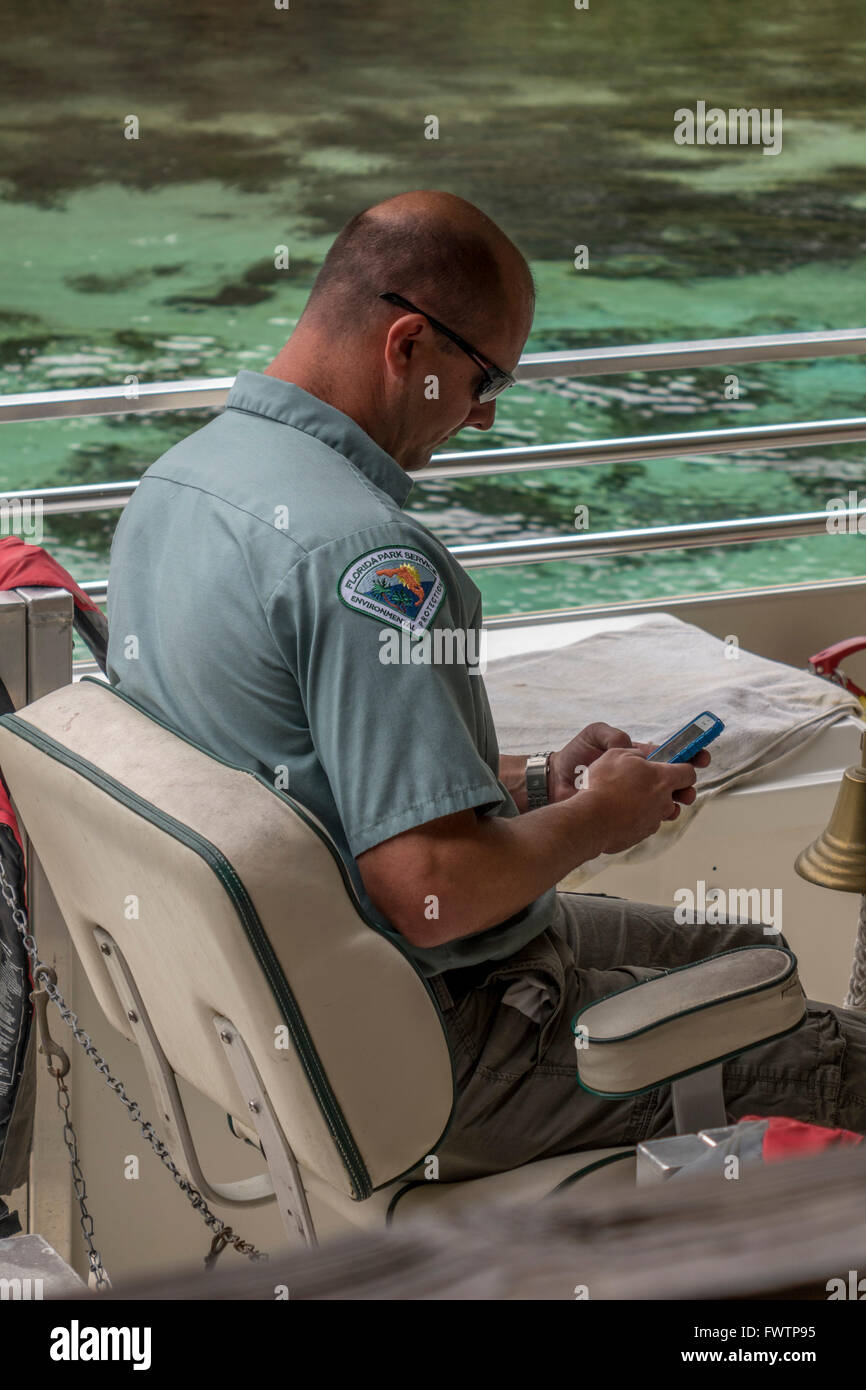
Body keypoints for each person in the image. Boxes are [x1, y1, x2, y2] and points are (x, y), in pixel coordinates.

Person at [106, 190, 866, 1181]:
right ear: (409, 343)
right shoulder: (370, 561)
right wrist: (601, 823)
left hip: (275, 1010)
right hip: (439, 1045)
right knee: (832, 1054)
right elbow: (430, 894)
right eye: (482, 377)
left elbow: (301, 788)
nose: (483, 413)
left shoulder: (176, 486)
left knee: (745, 948)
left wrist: (539, 788)